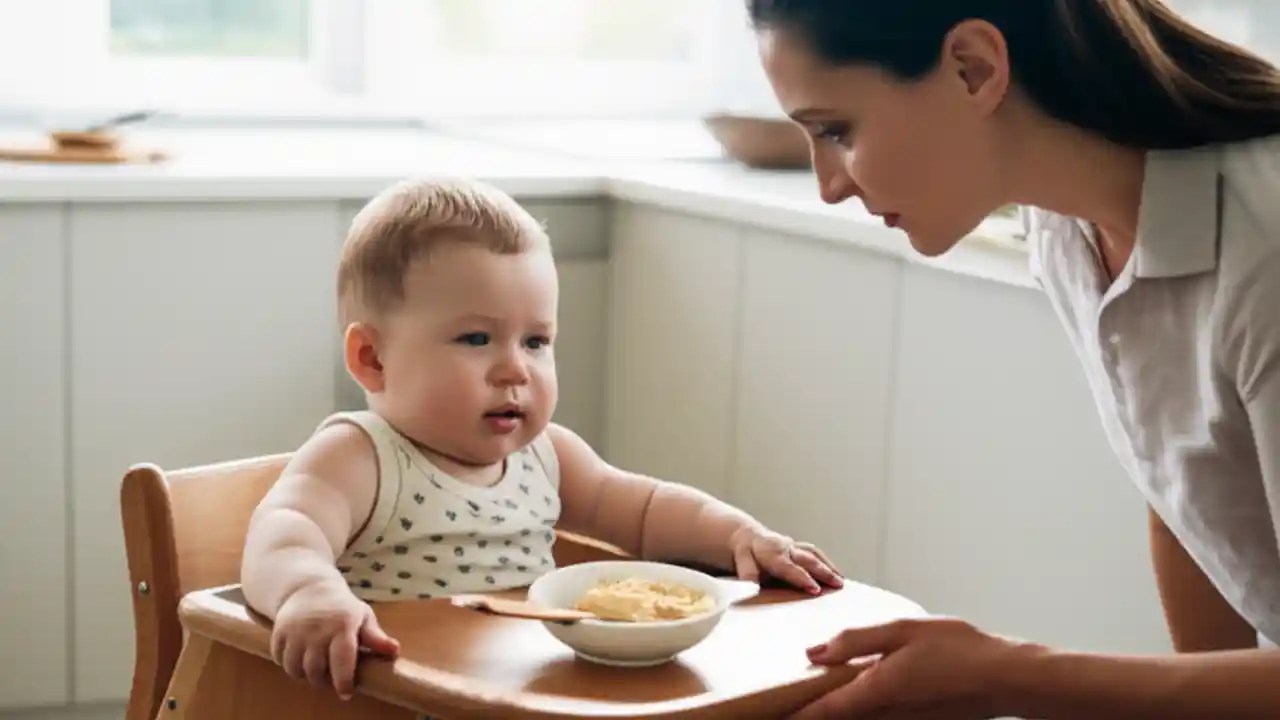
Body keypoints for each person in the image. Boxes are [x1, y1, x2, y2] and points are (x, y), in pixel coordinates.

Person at [745, 0, 1280, 718]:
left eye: (837, 130)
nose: (829, 184)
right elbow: (1185, 492)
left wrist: (1007, 675)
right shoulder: (1065, 230)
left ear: (974, 68)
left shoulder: (1265, 247)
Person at [238, 177, 844, 699]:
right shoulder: (361, 456)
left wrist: (740, 536)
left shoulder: (547, 455)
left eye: (536, 341)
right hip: (395, 699)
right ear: (372, 358)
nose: (515, 369)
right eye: (476, 339)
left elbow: (647, 508)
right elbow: (285, 532)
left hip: (528, 694)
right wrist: (311, 593)